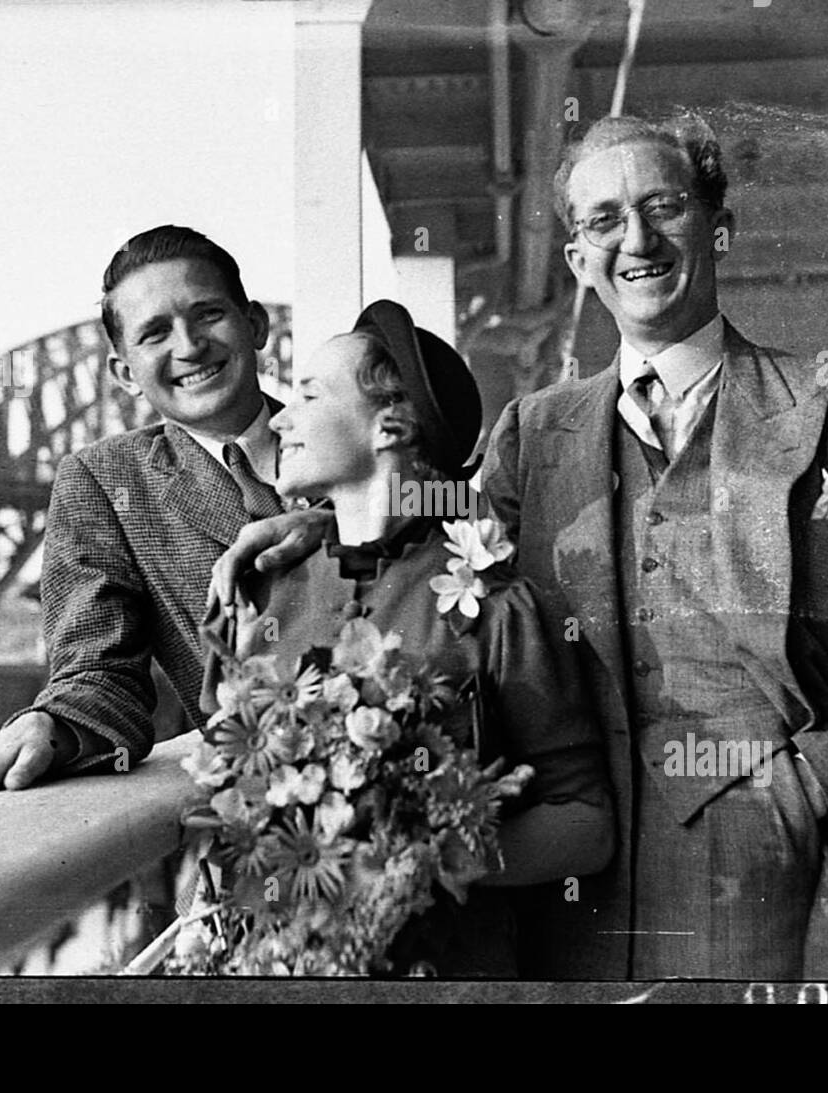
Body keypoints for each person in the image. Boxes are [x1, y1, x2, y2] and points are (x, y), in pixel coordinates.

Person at [217, 113, 828, 981]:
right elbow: (441, 556)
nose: (636, 239)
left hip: (801, 893)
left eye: (663, 206)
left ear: (718, 226)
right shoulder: (535, 431)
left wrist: (822, 785)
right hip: (580, 897)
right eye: (601, 222)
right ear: (578, 261)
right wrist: (320, 525)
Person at [199, 301, 614, 975]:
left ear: (391, 425)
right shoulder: (263, 588)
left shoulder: (494, 603)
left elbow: (586, 822)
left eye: (306, 395)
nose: (278, 418)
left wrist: (420, 865)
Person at [0, 225, 329, 803]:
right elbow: (98, 670)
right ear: (125, 373)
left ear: (255, 326)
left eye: (207, 315)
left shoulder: (347, 435)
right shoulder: (103, 481)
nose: (189, 346)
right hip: (268, 821)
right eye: (155, 334)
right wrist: (56, 726)